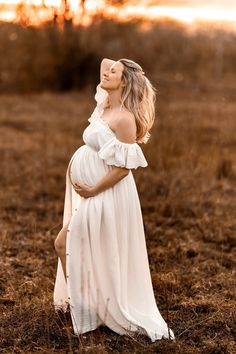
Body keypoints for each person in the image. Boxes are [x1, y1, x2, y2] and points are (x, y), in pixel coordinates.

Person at [53, 58, 175, 342]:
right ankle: (87, 307)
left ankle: (88, 309)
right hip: (92, 193)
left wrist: (94, 189)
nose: (106, 72)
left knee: (65, 243)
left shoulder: (125, 118)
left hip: (106, 194)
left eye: (114, 73)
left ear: (124, 82)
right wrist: (122, 65)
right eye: (107, 72)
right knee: (76, 245)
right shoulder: (104, 105)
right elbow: (105, 62)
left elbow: (123, 169)